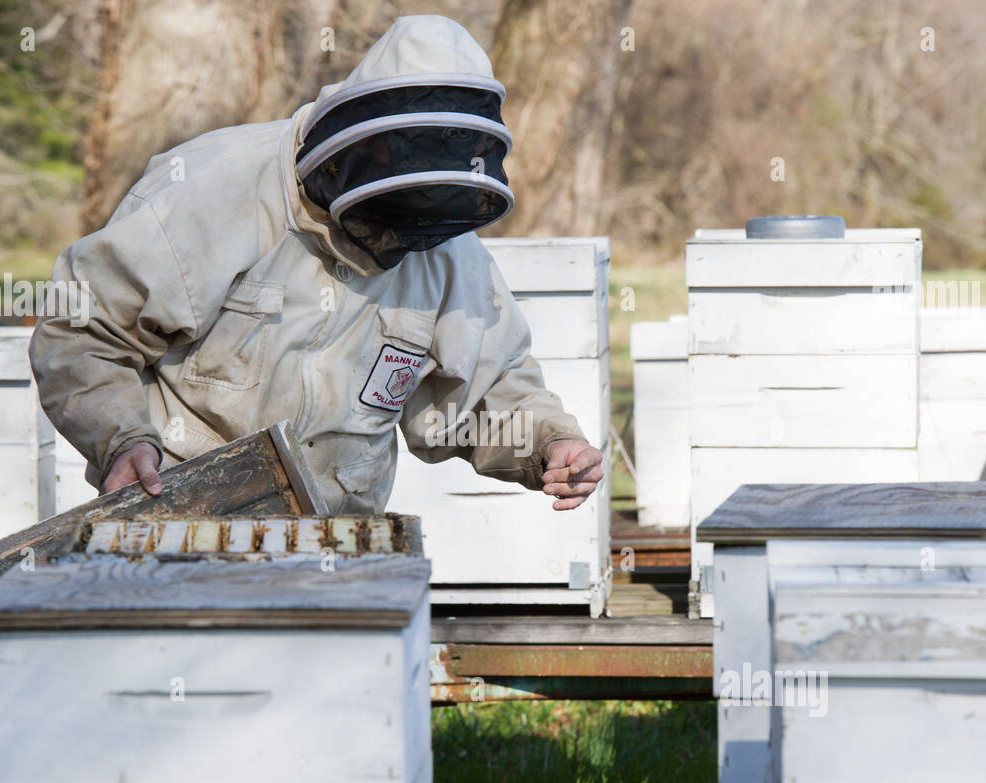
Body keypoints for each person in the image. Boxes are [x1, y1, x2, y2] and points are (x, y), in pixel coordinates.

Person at [30, 14, 603, 514]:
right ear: (357, 156)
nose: (400, 236)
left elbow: (486, 387)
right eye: (389, 213)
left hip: (336, 539)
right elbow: (83, 330)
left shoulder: (445, 245)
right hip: (179, 514)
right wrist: (122, 439)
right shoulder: (212, 189)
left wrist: (549, 443)